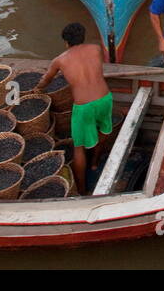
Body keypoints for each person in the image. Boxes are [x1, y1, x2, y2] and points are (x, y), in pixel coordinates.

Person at [36, 22, 112, 191]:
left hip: (84, 106)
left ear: (66, 42)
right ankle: (94, 163)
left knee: (78, 147)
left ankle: (82, 190)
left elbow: (46, 81)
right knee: (104, 130)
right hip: (105, 98)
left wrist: (37, 87)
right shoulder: (96, 49)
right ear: (83, 37)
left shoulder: (60, 60)